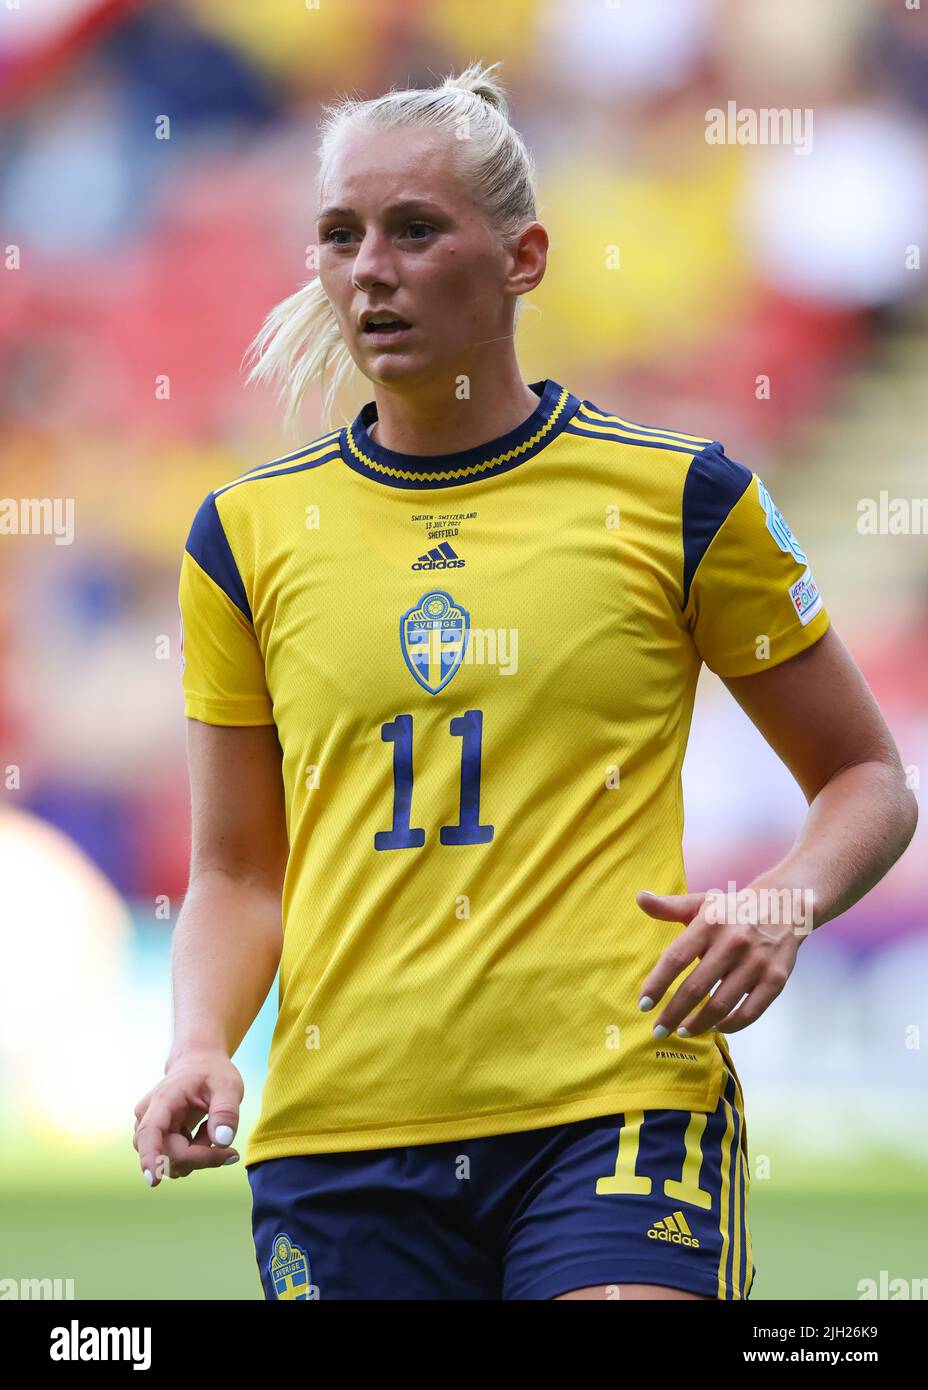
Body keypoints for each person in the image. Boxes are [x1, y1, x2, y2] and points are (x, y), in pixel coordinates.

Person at [133, 60, 917, 1301]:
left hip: (613, 1104)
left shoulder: (679, 497)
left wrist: (783, 903)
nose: (369, 269)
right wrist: (199, 1043)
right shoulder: (246, 533)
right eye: (340, 236)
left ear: (524, 257)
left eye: (414, 230)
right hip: (346, 1133)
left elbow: (867, 776)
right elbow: (238, 870)